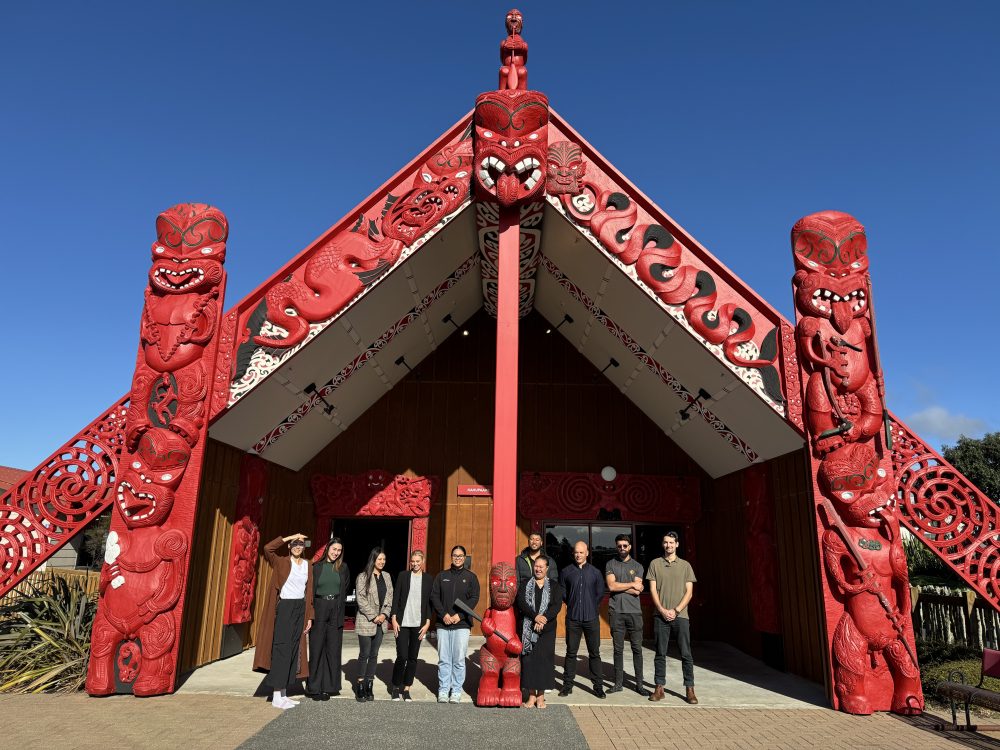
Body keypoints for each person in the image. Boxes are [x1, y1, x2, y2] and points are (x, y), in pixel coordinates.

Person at [253, 533, 314, 710]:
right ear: (289, 546)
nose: (297, 546)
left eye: (301, 544)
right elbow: (267, 548)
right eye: (294, 544)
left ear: (304, 548)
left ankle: (285, 694)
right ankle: (276, 696)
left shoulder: (307, 565)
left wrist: (310, 615)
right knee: (282, 648)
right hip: (285, 607)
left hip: (300, 608)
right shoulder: (280, 561)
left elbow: (308, 593)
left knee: (294, 649)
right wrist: (290, 536)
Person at [646, 531, 698, 704]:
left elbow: (689, 592)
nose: (668, 545)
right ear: (663, 544)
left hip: (681, 616)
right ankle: (659, 688)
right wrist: (661, 610)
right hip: (660, 616)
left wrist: (675, 611)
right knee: (660, 653)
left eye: (671, 542)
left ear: (677, 544)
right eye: (665, 542)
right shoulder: (655, 564)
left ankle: (689, 688)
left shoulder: (685, 566)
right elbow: (653, 590)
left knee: (685, 653)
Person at [430, 545, 480, 703]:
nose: (457, 558)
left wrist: (460, 615)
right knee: (444, 658)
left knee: (458, 658)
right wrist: (443, 614)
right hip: (443, 623)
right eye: (455, 555)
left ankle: (456, 690)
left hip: (462, 624)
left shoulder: (471, 577)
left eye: (460, 556)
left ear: (464, 558)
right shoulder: (441, 576)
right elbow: (434, 597)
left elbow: (474, 598)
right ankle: (444, 689)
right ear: (451, 557)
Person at [558, 540, 606, 698]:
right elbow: (563, 593)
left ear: (587, 553)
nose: (578, 555)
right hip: (573, 618)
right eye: (576, 552)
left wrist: (589, 605)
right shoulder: (566, 572)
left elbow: (599, 594)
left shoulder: (595, 572)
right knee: (571, 653)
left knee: (594, 653)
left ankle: (598, 686)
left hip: (591, 618)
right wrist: (573, 604)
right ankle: (567, 685)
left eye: (581, 552)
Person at [517, 556, 563, 708]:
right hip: (529, 627)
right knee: (529, 661)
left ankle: (541, 696)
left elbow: (556, 606)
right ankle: (531, 696)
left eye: (541, 566)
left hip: (547, 630)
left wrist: (543, 619)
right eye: (536, 566)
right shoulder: (525, 584)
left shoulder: (554, 586)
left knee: (544, 662)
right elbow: (521, 602)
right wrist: (535, 617)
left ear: (547, 568)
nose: (538, 569)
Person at [605, 533, 648, 696]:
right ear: (616, 547)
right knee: (618, 649)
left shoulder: (637, 566)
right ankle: (618, 684)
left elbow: (638, 591)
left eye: (625, 545)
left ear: (630, 547)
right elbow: (612, 587)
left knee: (637, 648)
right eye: (619, 546)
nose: (622, 548)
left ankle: (639, 684)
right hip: (616, 612)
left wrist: (620, 585)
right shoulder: (610, 563)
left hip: (634, 613)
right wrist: (631, 585)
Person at [307, 537, 349, 700]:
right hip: (319, 606)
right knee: (317, 648)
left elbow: (344, 588)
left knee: (333, 649)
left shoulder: (343, 568)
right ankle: (314, 687)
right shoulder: (316, 567)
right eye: (334, 549)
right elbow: (310, 591)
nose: (336, 553)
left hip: (335, 608)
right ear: (327, 549)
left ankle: (328, 687)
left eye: (339, 550)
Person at [389, 549, 432, 701]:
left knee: (413, 658)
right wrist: (393, 618)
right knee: (402, 656)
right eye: (412, 561)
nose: (414, 564)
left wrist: (427, 622)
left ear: (423, 562)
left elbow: (429, 603)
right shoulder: (403, 576)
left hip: (418, 624)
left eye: (417, 561)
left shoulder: (428, 579)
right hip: (402, 623)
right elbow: (396, 597)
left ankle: (406, 688)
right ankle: (395, 686)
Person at [354, 547, 393, 702]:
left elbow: (390, 597)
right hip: (366, 620)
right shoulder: (363, 577)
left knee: (374, 654)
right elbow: (361, 599)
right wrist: (374, 616)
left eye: (384, 559)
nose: (382, 562)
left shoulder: (387, 576)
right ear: (373, 559)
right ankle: (360, 685)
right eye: (379, 559)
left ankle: (370, 684)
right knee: (365, 653)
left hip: (381, 622)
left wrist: (384, 615)